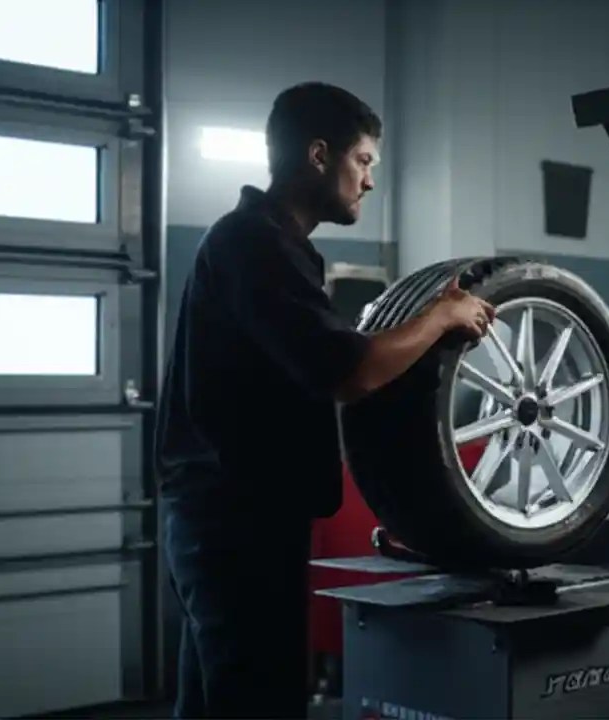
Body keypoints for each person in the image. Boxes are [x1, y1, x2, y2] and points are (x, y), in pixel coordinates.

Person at [154, 82, 495, 719]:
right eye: (362, 161)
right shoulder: (254, 244)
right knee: (258, 704)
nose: (369, 181)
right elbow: (349, 371)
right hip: (235, 530)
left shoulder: (273, 247)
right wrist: (444, 313)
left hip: (230, 523)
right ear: (318, 155)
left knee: (215, 704)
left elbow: (336, 361)